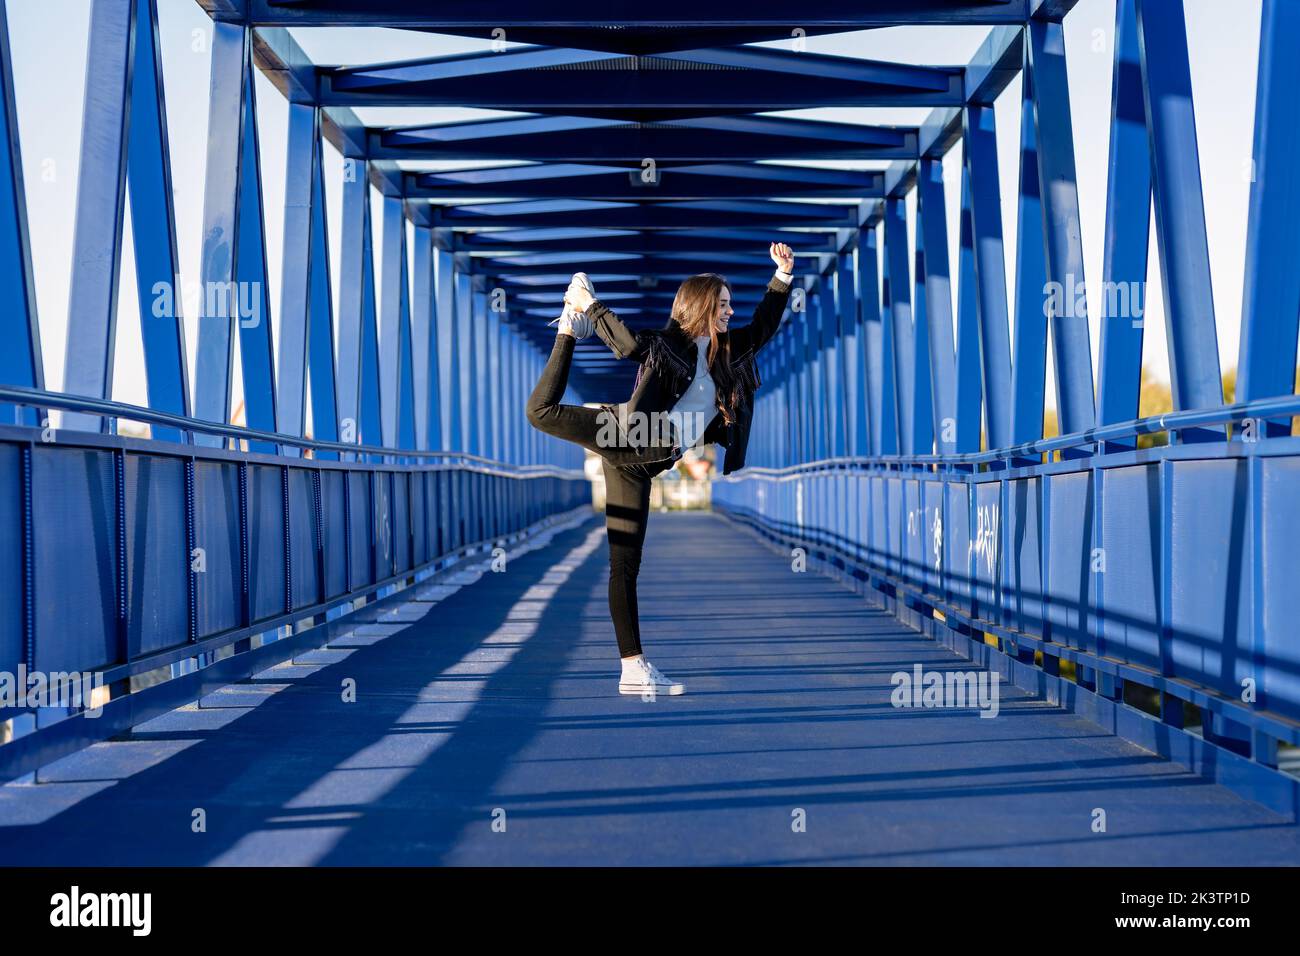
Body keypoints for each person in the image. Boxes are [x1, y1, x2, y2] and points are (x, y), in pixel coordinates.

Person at [526, 243, 796, 696]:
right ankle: (570, 328)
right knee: (541, 412)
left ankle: (632, 668)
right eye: (724, 304)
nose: (731, 311)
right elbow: (629, 344)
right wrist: (591, 305)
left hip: (636, 467)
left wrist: (782, 275)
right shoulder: (669, 343)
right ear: (703, 305)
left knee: (625, 564)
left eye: (731, 304)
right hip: (625, 433)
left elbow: (766, 324)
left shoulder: (729, 350)